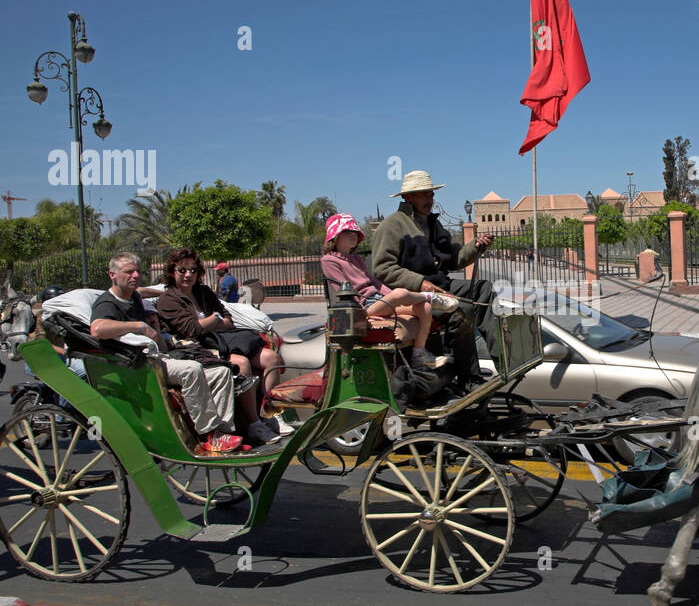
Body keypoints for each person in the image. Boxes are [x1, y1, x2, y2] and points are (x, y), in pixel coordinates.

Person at [88, 253, 244, 455]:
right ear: (112, 275)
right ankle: (209, 433)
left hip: (159, 356)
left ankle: (223, 433)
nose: (136, 275)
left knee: (221, 372)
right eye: (129, 272)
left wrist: (160, 293)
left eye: (138, 271)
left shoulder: (133, 295)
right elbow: (97, 328)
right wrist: (139, 326)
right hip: (140, 363)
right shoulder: (107, 303)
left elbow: (141, 291)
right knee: (191, 369)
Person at [370, 170, 498, 387]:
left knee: (483, 289)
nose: (430, 199)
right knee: (462, 310)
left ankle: (501, 358)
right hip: (415, 295)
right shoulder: (391, 226)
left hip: (440, 286)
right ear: (408, 197)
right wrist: (419, 282)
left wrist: (476, 246)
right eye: (424, 195)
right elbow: (382, 268)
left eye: (431, 194)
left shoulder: (432, 224)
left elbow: (453, 258)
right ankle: (469, 377)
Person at [154, 248, 290, 442]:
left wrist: (211, 321)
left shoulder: (203, 292)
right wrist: (214, 319)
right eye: (182, 270)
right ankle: (253, 424)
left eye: (193, 270)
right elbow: (191, 329)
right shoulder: (168, 299)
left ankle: (270, 413)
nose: (188, 275)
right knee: (242, 363)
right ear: (171, 271)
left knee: (272, 358)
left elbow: (227, 319)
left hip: (223, 340)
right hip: (197, 347)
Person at [320, 213, 456, 369]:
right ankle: (430, 297)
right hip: (363, 307)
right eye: (346, 232)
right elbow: (341, 290)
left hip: (379, 301)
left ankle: (419, 354)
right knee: (400, 293)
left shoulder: (356, 259)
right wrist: (363, 312)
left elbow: (374, 282)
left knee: (424, 308)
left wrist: (390, 296)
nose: (352, 235)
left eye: (354, 232)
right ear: (335, 237)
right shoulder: (329, 260)